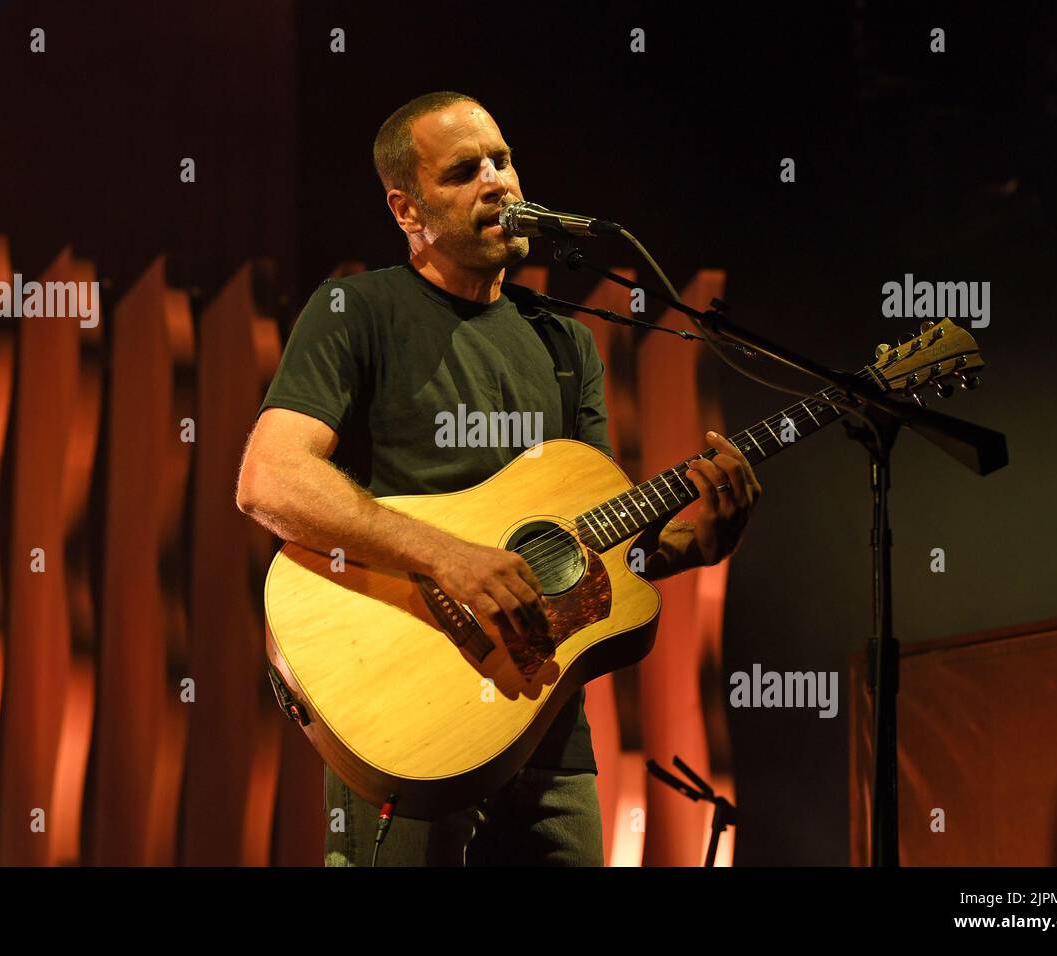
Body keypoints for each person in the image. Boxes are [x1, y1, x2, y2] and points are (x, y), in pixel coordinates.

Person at [235, 91, 760, 866]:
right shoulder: (358, 310)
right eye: (463, 172)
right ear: (407, 210)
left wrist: (690, 548)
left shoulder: (565, 346)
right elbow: (269, 480)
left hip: (549, 729)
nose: (497, 182)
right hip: (408, 712)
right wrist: (448, 556)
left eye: (502, 160)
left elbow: (597, 553)